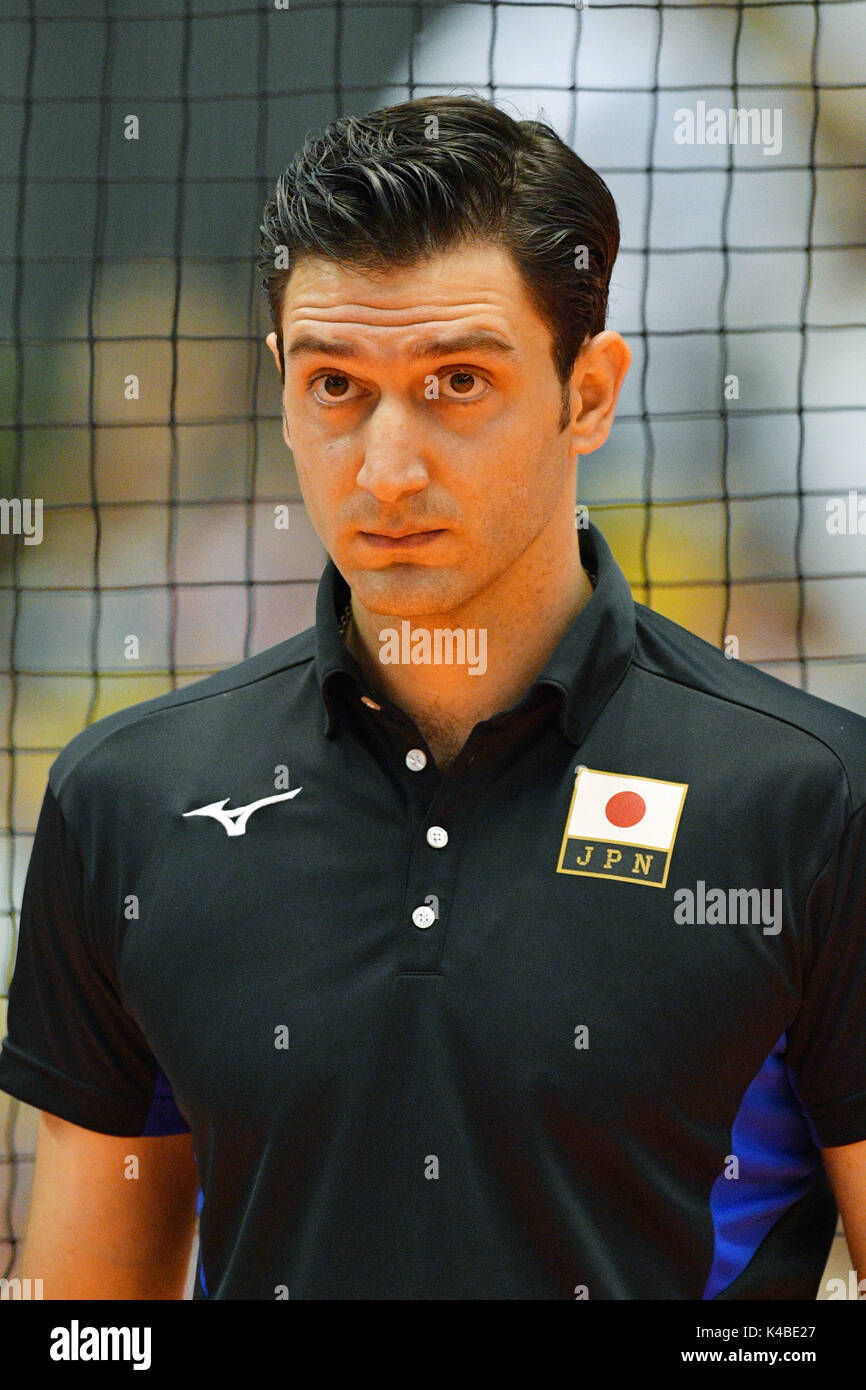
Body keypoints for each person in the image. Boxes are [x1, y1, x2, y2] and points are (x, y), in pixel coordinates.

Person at [2, 94, 865, 1300]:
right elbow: (92, 1325)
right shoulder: (127, 803)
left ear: (588, 392)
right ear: (283, 390)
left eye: (457, 382)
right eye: (336, 386)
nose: (387, 467)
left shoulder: (813, 800)